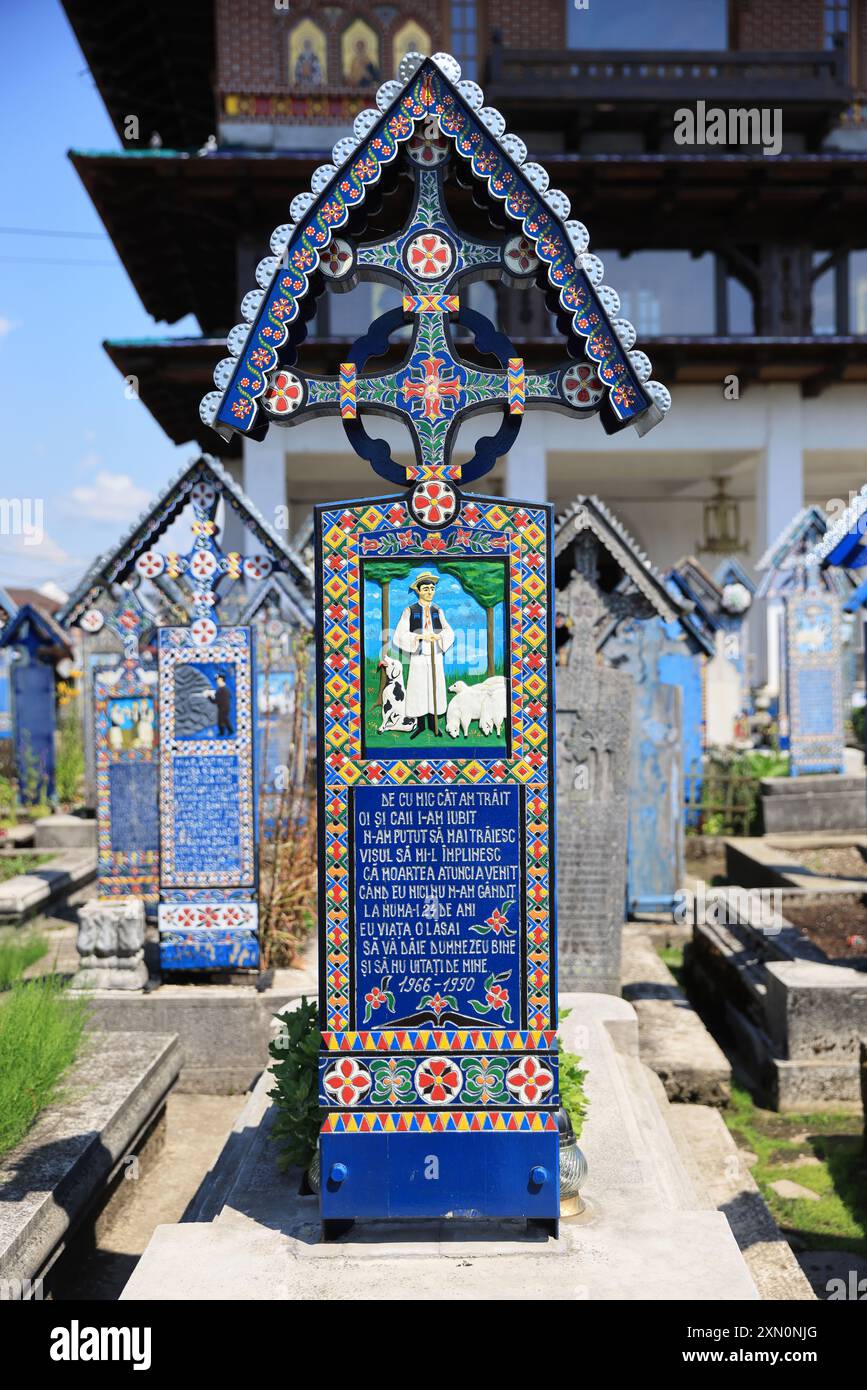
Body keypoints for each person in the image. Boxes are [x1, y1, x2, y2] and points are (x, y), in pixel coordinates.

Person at [392, 572, 454, 739]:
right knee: (419, 688)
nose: (429, 592)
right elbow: (400, 634)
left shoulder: (437, 611)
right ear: (418, 591)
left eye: (432, 589)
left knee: (435, 687)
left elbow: (449, 630)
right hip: (418, 655)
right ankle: (420, 725)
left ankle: (434, 725)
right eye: (425, 589)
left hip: (436, 654)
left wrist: (439, 636)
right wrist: (419, 636)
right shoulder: (410, 611)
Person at [213, 672, 233, 737]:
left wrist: (210, 696)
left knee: (224, 720)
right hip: (222, 708)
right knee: (221, 720)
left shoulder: (224, 690)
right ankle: (222, 732)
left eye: (218, 680)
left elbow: (216, 701)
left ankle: (230, 731)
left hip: (224, 708)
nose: (217, 682)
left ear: (221, 680)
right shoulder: (220, 689)